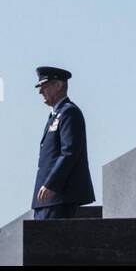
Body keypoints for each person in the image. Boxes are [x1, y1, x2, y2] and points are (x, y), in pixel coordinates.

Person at [31, 66, 95, 220]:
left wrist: (51, 184)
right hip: (47, 200)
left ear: (58, 85)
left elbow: (69, 152)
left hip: (59, 196)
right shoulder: (55, 115)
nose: (40, 92)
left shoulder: (69, 113)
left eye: (44, 86)